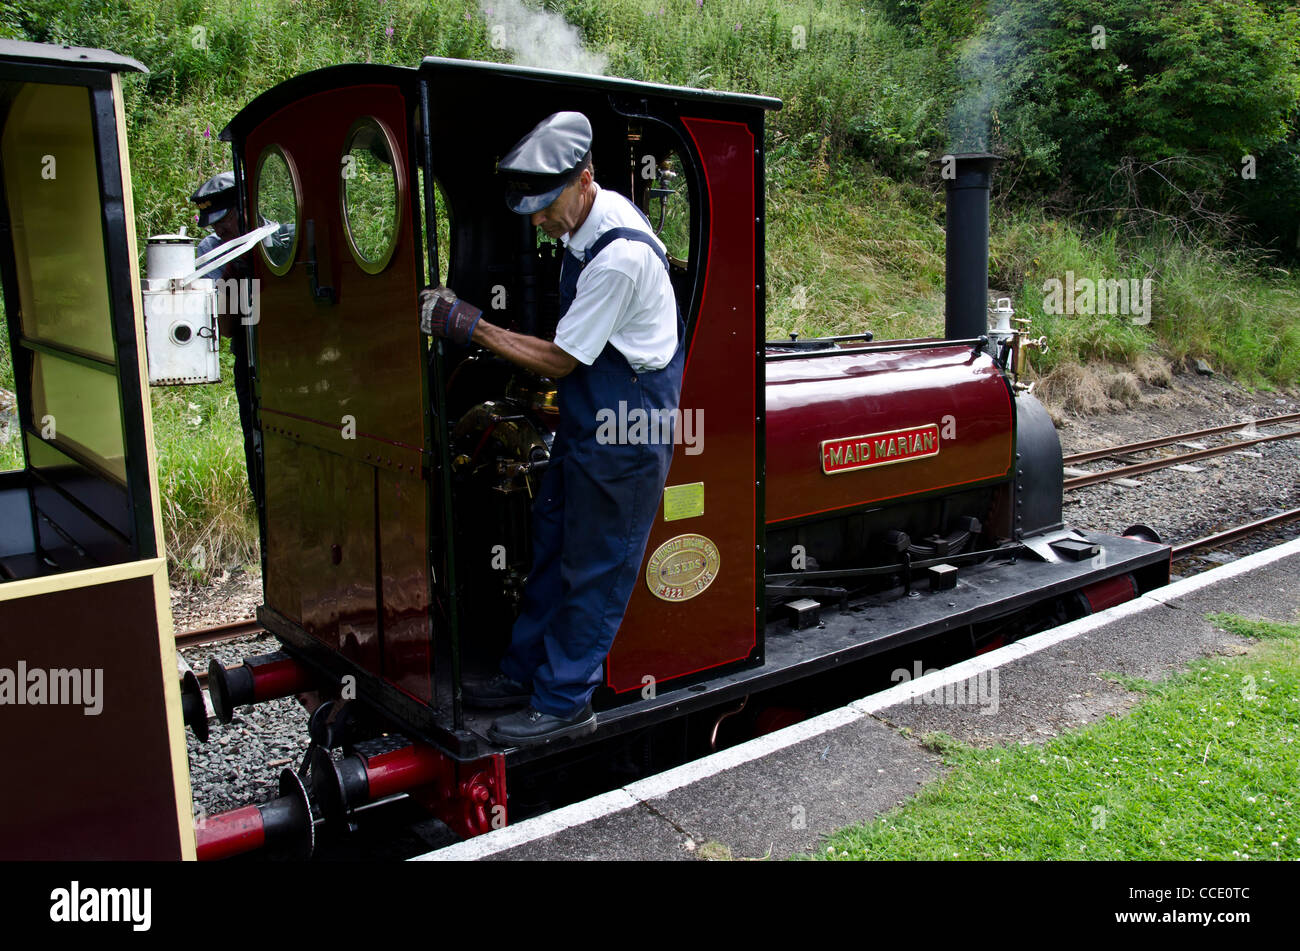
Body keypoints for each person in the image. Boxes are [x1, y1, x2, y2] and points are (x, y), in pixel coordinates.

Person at [419, 111, 685, 747]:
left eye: (545, 206)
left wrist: (469, 324)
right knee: (553, 540)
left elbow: (561, 360)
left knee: (595, 564)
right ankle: (526, 670)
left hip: (628, 424)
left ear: (584, 179)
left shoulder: (617, 257)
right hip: (590, 418)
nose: (538, 221)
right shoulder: (590, 219)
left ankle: (566, 699)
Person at [190, 172, 261, 511]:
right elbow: (229, 326)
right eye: (212, 223)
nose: (219, 230)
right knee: (253, 434)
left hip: (291, 348)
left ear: (244, 206)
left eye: (225, 219)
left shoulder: (275, 233)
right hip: (248, 352)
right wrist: (233, 273)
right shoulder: (212, 250)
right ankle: (262, 504)